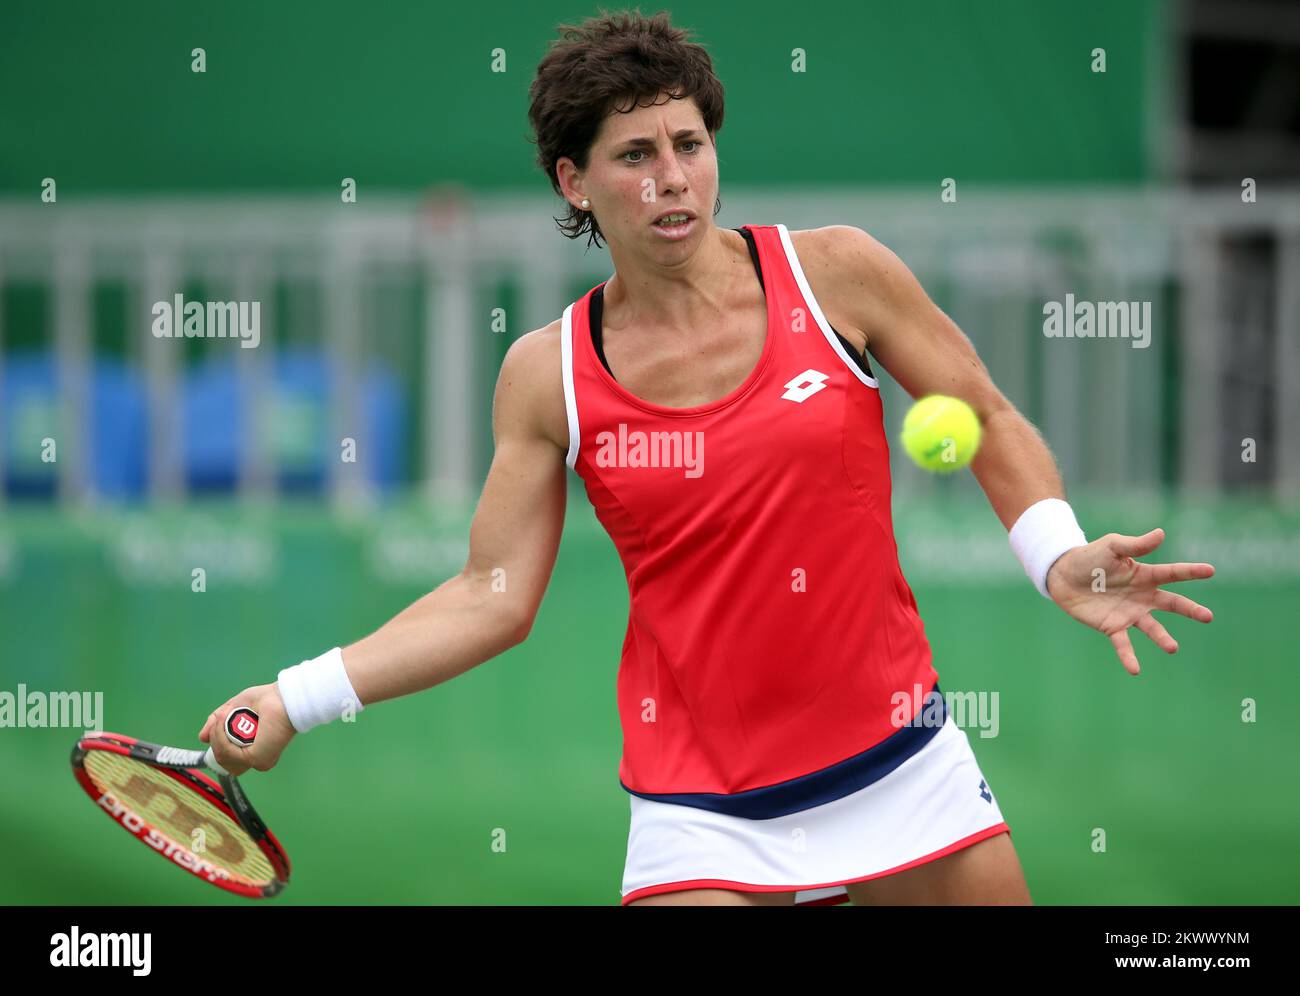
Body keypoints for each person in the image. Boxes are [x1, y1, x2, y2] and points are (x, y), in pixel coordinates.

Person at [200, 10, 1216, 906]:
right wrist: (295, 695)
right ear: (575, 180)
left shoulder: (839, 275)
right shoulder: (544, 372)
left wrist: (1055, 552)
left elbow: (983, 416)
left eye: (688, 142)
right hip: (700, 808)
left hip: (902, 762)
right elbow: (490, 596)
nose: (672, 176)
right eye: (634, 154)